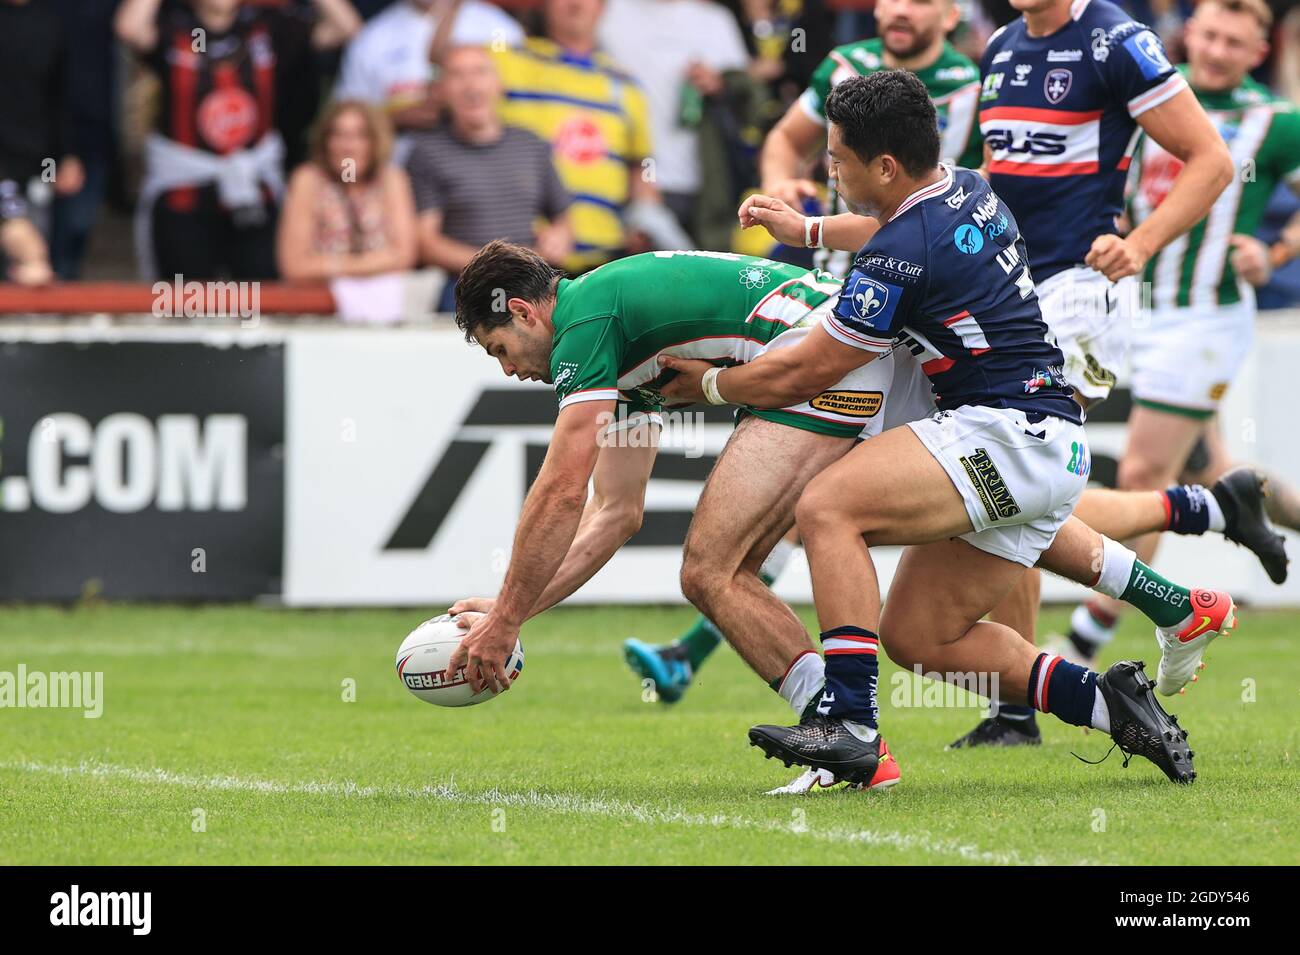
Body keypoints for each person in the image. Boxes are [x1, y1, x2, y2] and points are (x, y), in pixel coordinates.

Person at [660, 71, 1235, 786]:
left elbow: (805, 371)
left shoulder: (901, 254)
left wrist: (710, 383)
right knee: (918, 637)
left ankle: (851, 725)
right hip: (1039, 439)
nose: (828, 169)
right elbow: (883, 225)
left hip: (1004, 433)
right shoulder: (958, 184)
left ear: (886, 166)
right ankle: (1111, 701)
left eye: (836, 158)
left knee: (826, 508)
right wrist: (803, 228)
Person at [442, 240, 947, 791]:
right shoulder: (613, 335)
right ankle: (851, 733)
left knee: (713, 570)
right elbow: (615, 513)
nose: (510, 370)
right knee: (1016, 512)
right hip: (855, 350)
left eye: (500, 349)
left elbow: (563, 489)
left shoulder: (585, 323)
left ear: (523, 311)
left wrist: (507, 618)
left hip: (821, 357)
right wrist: (511, 611)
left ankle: (845, 735)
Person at [942, 0, 1238, 748]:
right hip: (1005, 287)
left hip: (1076, 292)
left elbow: (1213, 160)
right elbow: (1004, 173)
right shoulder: (1003, 44)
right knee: (1020, 488)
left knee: (1017, 479)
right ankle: (1193, 530)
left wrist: (1137, 243)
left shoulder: (1115, 38)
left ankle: (1022, 701)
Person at [1060, 0, 1300, 666]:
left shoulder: (1275, 122)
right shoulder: (1146, 92)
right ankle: (1258, 522)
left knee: (1142, 472)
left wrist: (1274, 252)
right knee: (1222, 475)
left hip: (1204, 319)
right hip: (1133, 306)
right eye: (1211, 35)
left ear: (1259, 52)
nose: (1219, 50)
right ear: (1188, 32)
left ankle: (1086, 642)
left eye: (1235, 42)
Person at [115, 0, 362, 281]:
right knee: (186, 303)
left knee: (260, 302)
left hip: (254, 193)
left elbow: (346, 27)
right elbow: (129, 28)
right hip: (184, 194)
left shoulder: (267, 28)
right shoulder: (173, 27)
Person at [761, 0, 982, 275]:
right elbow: (787, 138)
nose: (901, 10)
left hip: (933, 286)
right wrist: (779, 185)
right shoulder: (843, 67)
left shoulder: (975, 89)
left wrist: (807, 230)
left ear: (950, 17)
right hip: (838, 276)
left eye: (920, 2)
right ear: (877, 7)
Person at [482, 0, 687, 273]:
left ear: (602, 8)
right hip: (525, 255)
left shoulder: (625, 84)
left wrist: (645, 216)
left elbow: (643, 167)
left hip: (606, 259)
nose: (576, 4)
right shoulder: (508, 59)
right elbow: (447, 65)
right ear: (545, 6)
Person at [406, 45, 572, 310]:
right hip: (464, 282)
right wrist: (496, 268)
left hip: (532, 280)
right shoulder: (427, 152)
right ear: (441, 92)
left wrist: (558, 237)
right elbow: (426, 241)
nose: (471, 84)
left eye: (480, 72)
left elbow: (562, 218)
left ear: (498, 85)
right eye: (457, 75)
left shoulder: (529, 144)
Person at [596, 0, 753, 241]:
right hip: (629, 184)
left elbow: (750, 102)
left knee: (700, 275)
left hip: (707, 189)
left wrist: (720, 85)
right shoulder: (608, 10)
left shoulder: (716, 20)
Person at [334, 0, 523, 161]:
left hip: (487, 177)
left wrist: (463, 106)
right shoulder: (371, 39)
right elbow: (345, 119)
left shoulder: (498, 29)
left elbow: (519, 98)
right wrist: (394, 119)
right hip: (400, 178)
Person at [276, 100, 417, 280]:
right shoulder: (307, 180)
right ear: (325, 141)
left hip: (382, 300)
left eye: (360, 136)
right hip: (319, 300)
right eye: (339, 135)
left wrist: (331, 265)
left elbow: (404, 256)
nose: (348, 146)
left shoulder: (392, 179)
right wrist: (371, 264)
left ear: (375, 142)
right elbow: (294, 266)